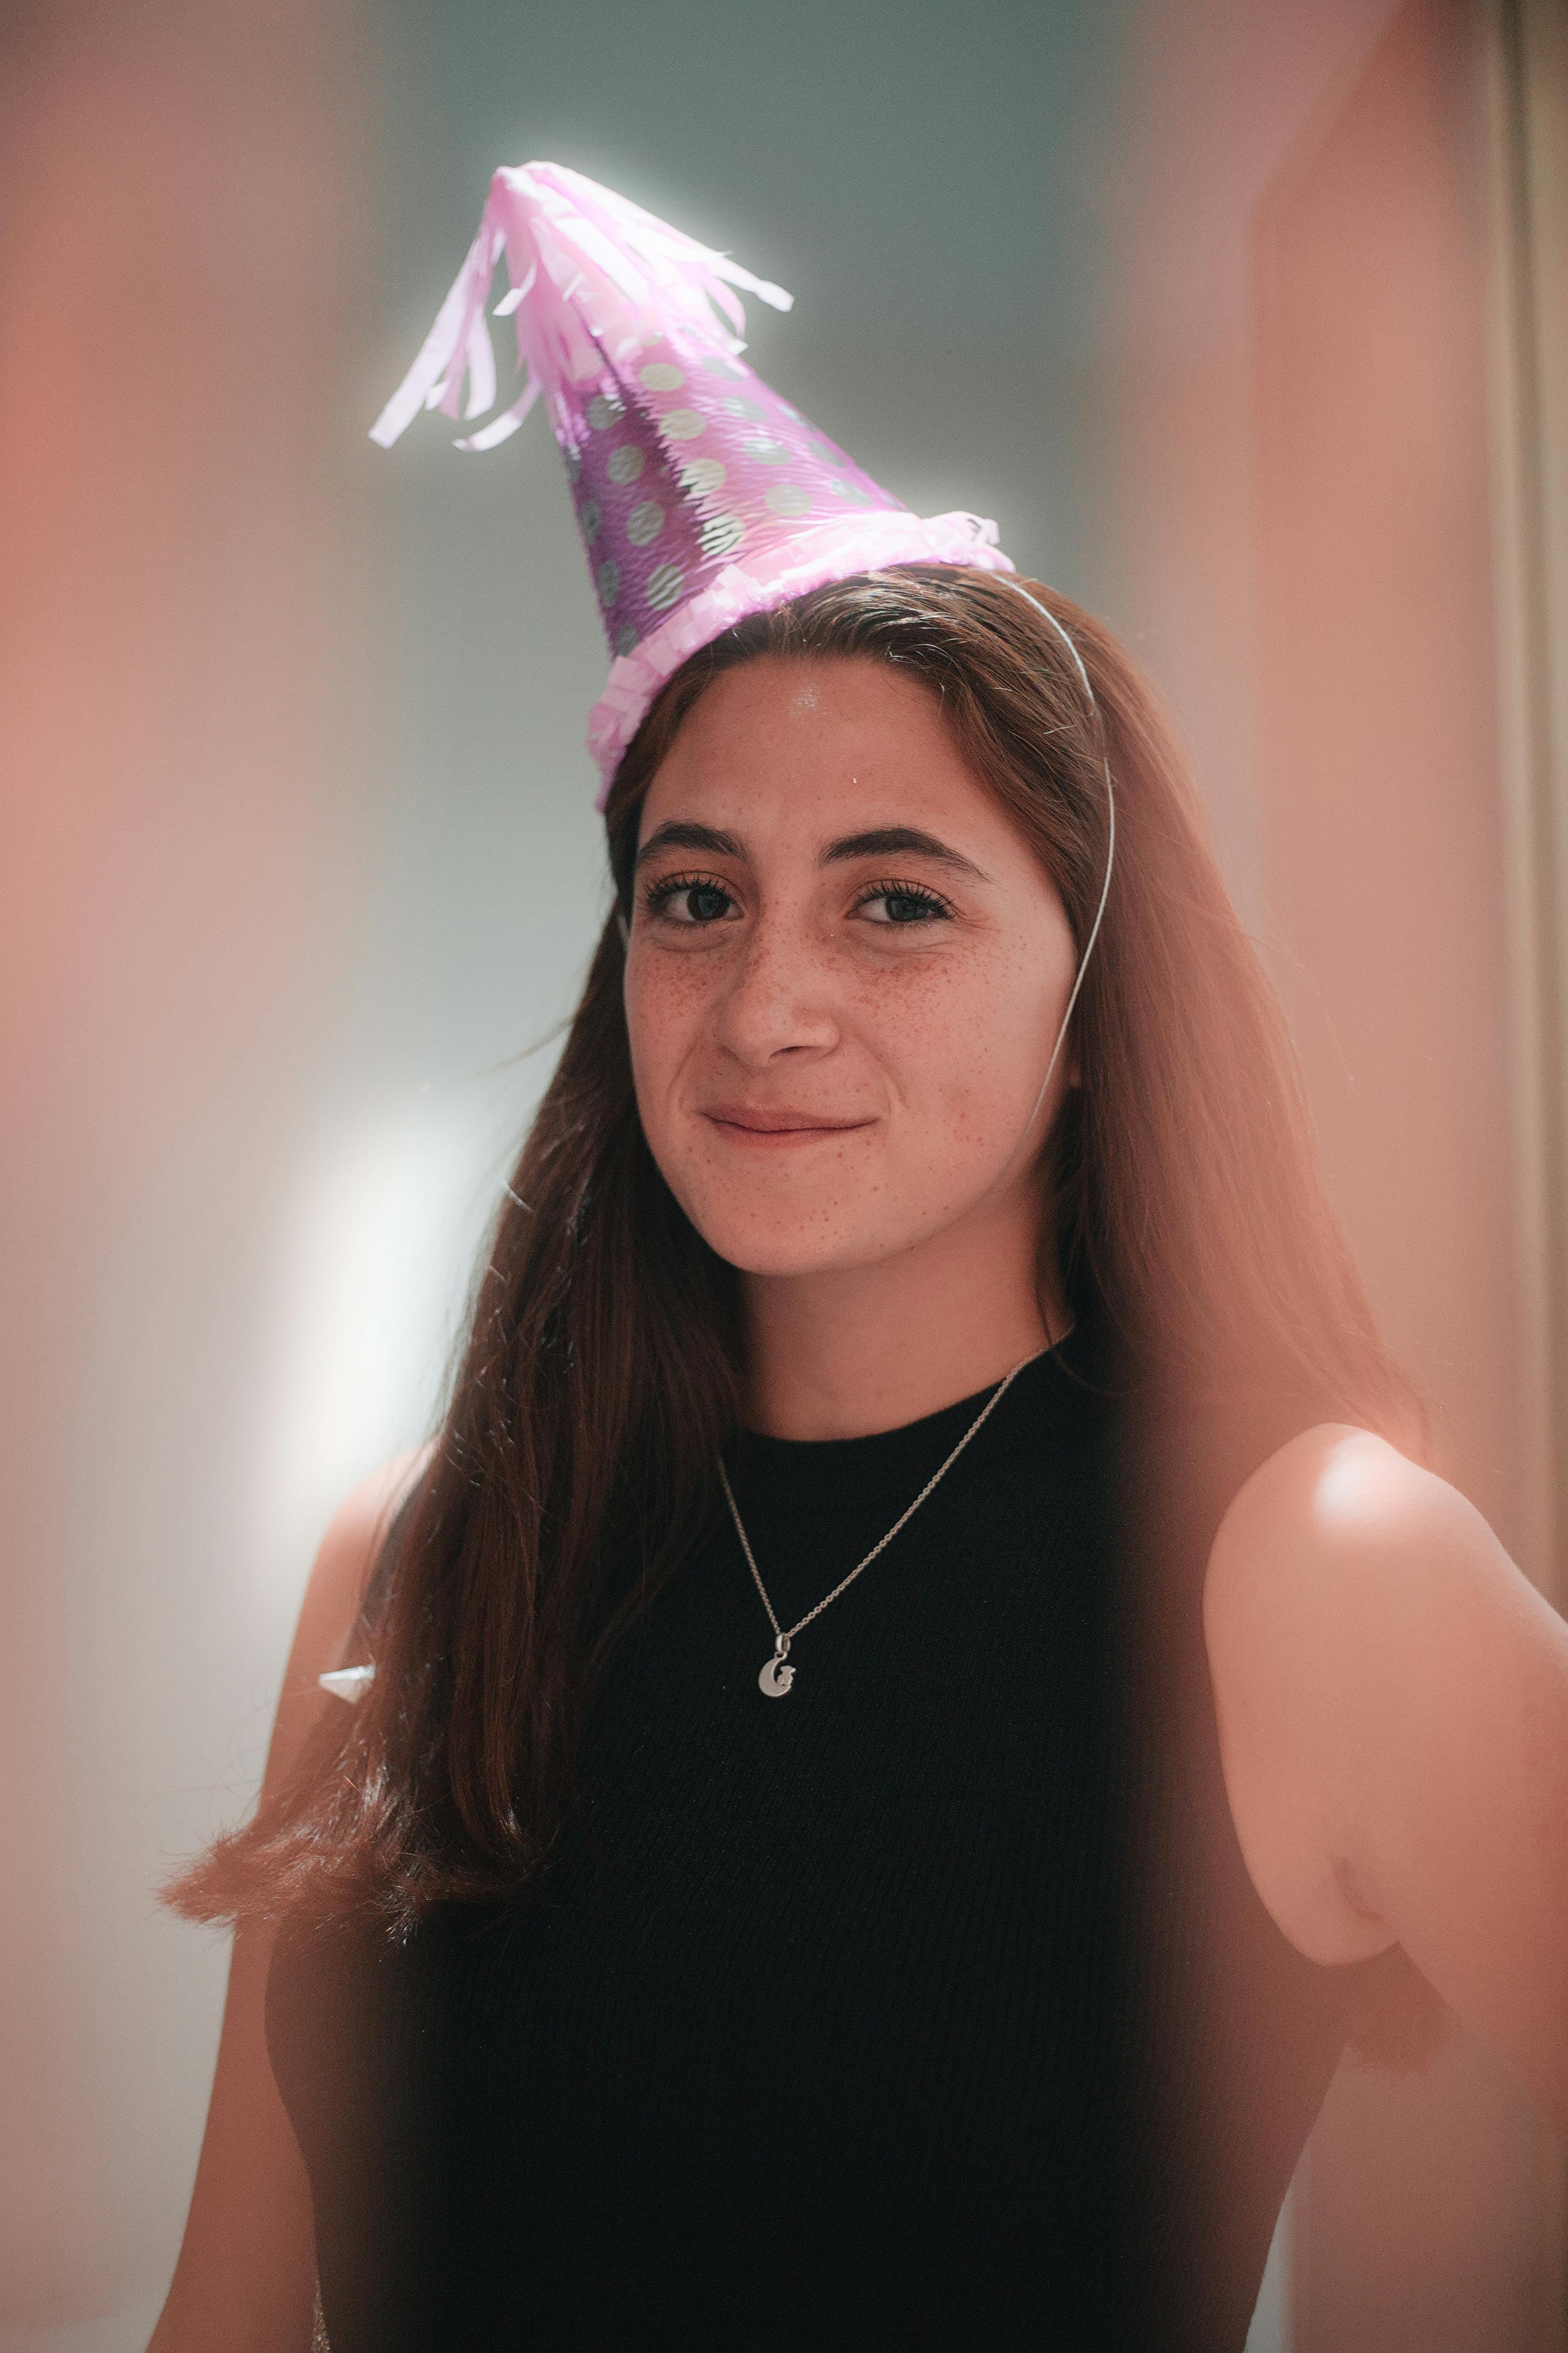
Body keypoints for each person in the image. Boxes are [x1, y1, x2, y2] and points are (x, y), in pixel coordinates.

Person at [150, 166, 1568, 2352]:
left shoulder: (1312, 1561)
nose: (765, 1004)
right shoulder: (424, 1555)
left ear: (1099, 1008)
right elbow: (224, 2327)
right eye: (694, 896)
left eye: (896, 903)